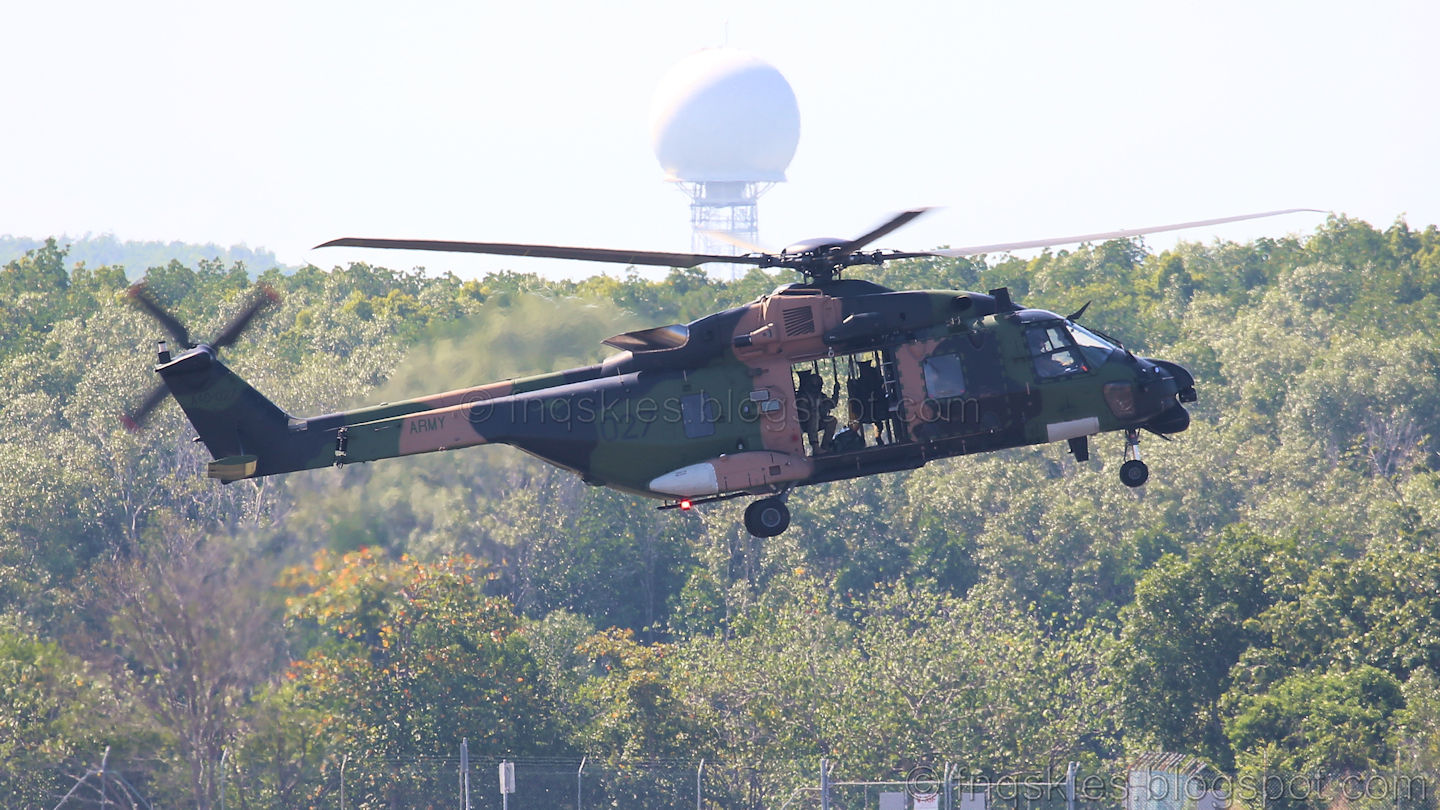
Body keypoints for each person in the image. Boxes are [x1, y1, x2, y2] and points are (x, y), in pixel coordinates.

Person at [795, 369, 837, 454]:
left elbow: (832, 404)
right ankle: (815, 447)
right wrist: (813, 411)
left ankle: (825, 446)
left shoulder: (820, 396)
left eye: (819, 385)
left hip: (818, 421)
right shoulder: (802, 396)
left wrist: (836, 392)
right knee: (814, 416)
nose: (817, 388)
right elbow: (803, 413)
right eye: (814, 386)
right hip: (803, 423)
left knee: (832, 420)